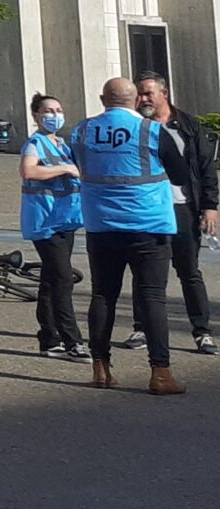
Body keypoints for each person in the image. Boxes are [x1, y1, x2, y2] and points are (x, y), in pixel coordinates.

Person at [71, 77, 182, 393]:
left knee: (103, 294)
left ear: (102, 99)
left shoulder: (81, 131)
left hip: (101, 224)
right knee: (151, 296)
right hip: (148, 223)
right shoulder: (151, 130)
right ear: (135, 100)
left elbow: (79, 164)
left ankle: (100, 368)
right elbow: (180, 174)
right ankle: (160, 373)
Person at [132, 74, 216, 356]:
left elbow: (206, 168)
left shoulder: (188, 126)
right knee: (144, 272)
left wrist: (210, 206)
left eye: (147, 93)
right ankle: (142, 327)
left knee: (189, 272)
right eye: (139, 94)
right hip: (147, 211)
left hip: (182, 208)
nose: (142, 99)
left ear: (163, 93)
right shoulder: (135, 126)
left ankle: (202, 332)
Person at [20, 93, 83, 359]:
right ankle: (73, 341)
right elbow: (28, 171)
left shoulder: (62, 144)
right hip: (45, 222)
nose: (54, 115)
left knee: (50, 280)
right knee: (62, 279)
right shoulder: (34, 144)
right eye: (48, 110)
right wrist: (65, 170)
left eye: (58, 109)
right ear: (36, 115)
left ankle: (48, 338)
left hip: (65, 219)